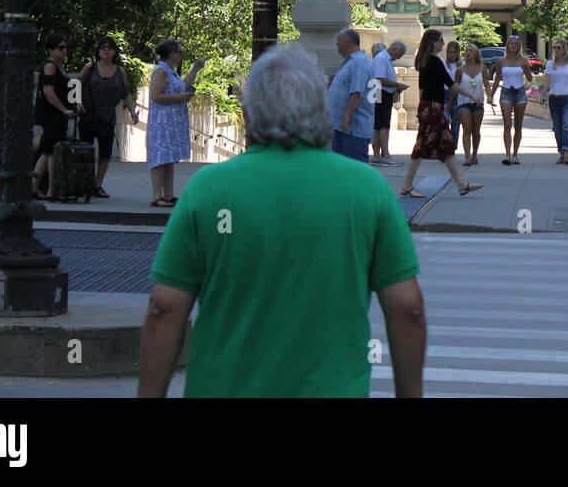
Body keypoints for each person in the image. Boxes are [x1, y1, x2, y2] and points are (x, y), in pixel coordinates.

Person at [138, 42, 426, 398]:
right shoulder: (367, 190)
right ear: (322, 112)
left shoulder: (207, 191)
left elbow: (165, 309)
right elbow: (408, 309)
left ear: (248, 114)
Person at [399, 30, 483, 198]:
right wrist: (472, 95)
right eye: (440, 41)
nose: (443, 44)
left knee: (447, 145)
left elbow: (422, 89)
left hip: (429, 107)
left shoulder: (424, 61)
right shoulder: (434, 61)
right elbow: (451, 84)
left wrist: (421, 109)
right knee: (422, 145)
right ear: (433, 43)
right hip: (433, 108)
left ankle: (461, 185)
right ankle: (407, 185)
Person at [76, 36, 140, 198]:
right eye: (103, 47)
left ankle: (97, 185)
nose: (106, 50)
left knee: (105, 153)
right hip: (88, 115)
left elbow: (125, 93)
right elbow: (75, 84)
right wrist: (77, 101)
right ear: (98, 51)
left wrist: (132, 111)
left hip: (107, 117)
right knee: (86, 152)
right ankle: (85, 183)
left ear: (114, 52)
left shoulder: (119, 71)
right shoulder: (90, 67)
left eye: (109, 47)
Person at [146, 39, 204, 208]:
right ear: (171, 53)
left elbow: (183, 86)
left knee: (168, 159)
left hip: (171, 122)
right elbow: (156, 96)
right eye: (178, 51)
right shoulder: (160, 72)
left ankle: (169, 195)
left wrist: (195, 69)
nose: (180, 54)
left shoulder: (171, 71)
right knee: (159, 158)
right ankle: (157, 196)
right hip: (161, 123)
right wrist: (180, 98)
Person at [33, 34, 76, 199]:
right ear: (50, 50)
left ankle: (34, 187)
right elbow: (48, 91)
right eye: (60, 47)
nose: (64, 50)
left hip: (56, 115)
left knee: (47, 152)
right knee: (51, 152)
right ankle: (52, 190)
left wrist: (74, 104)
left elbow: (70, 87)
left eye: (65, 47)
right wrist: (63, 109)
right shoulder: (50, 66)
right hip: (51, 115)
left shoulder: (59, 67)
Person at [327, 28, 374, 163]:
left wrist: (346, 118)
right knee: (342, 168)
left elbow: (356, 93)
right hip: (343, 128)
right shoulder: (351, 61)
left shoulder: (359, 62)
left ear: (347, 42)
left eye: (338, 42)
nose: (337, 45)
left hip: (353, 129)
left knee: (355, 168)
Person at [489, 35, 529, 165]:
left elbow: (529, 79)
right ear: (507, 46)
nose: (513, 46)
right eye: (511, 43)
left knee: (518, 124)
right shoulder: (501, 61)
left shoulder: (523, 60)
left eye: (516, 44)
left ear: (519, 46)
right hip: (506, 92)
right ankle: (507, 154)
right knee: (507, 124)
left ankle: (515, 154)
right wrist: (491, 95)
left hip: (520, 92)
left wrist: (527, 69)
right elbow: (497, 79)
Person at [371, 40, 408, 166]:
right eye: (400, 54)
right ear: (395, 50)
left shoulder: (384, 59)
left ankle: (378, 154)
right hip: (380, 92)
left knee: (379, 125)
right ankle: (385, 154)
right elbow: (380, 78)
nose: (399, 57)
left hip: (381, 92)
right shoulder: (382, 58)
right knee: (383, 126)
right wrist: (397, 85)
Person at [453, 44, 486, 166]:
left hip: (478, 103)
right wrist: (450, 104)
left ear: (476, 54)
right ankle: (467, 157)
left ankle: (474, 154)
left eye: (471, 51)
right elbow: (455, 87)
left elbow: (486, 84)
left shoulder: (482, 68)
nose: (468, 52)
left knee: (476, 131)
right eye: (467, 51)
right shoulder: (460, 70)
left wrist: (490, 96)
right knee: (466, 129)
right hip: (463, 102)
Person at [443, 38, 462, 151]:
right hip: (444, 94)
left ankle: (452, 147)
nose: (452, 55)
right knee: (444, 122)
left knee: (455, 123)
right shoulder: (443, 64)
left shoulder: (462, 65)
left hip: (457, 95)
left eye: (454, 52)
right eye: (450, 52)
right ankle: (444, 147)